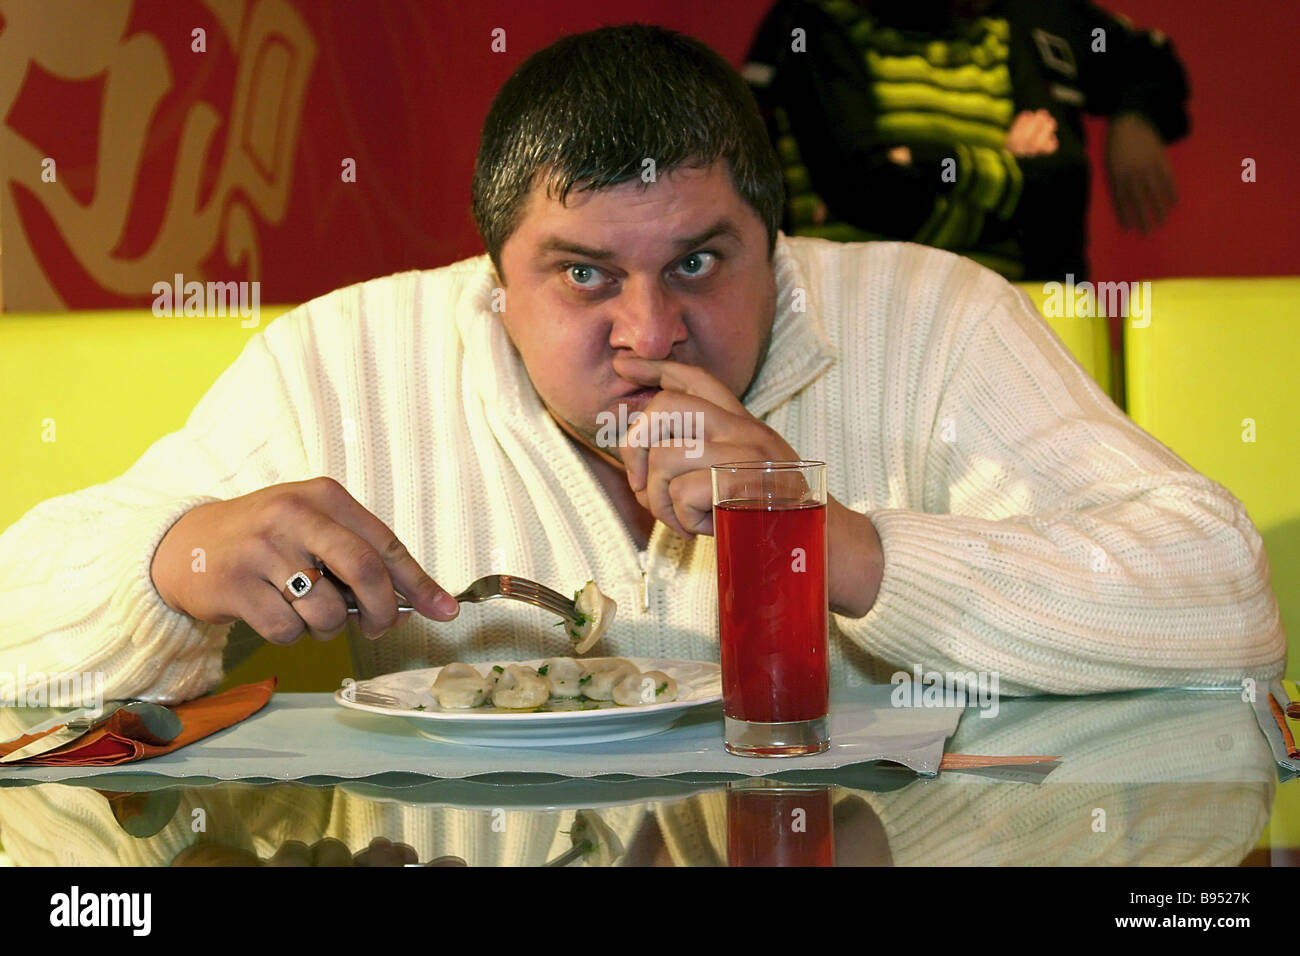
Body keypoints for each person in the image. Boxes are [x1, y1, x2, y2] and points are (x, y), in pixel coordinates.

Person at [0, 25, 1282, 708]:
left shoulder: (931, 313)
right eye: (582, 274)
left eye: (700, 261)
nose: (650, 332)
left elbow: (1222, 595)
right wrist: (172, 564)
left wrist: (837, 542)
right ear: (491, 276)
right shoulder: (341, 359)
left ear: (779, 247)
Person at [744, 0, 1188, 280]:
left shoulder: (1027, 19)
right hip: (863, 320)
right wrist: (1007, 177)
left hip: (1030, 320)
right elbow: (864, 189)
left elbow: (1062, 182)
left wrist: (1136, 117)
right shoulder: (811, 23)